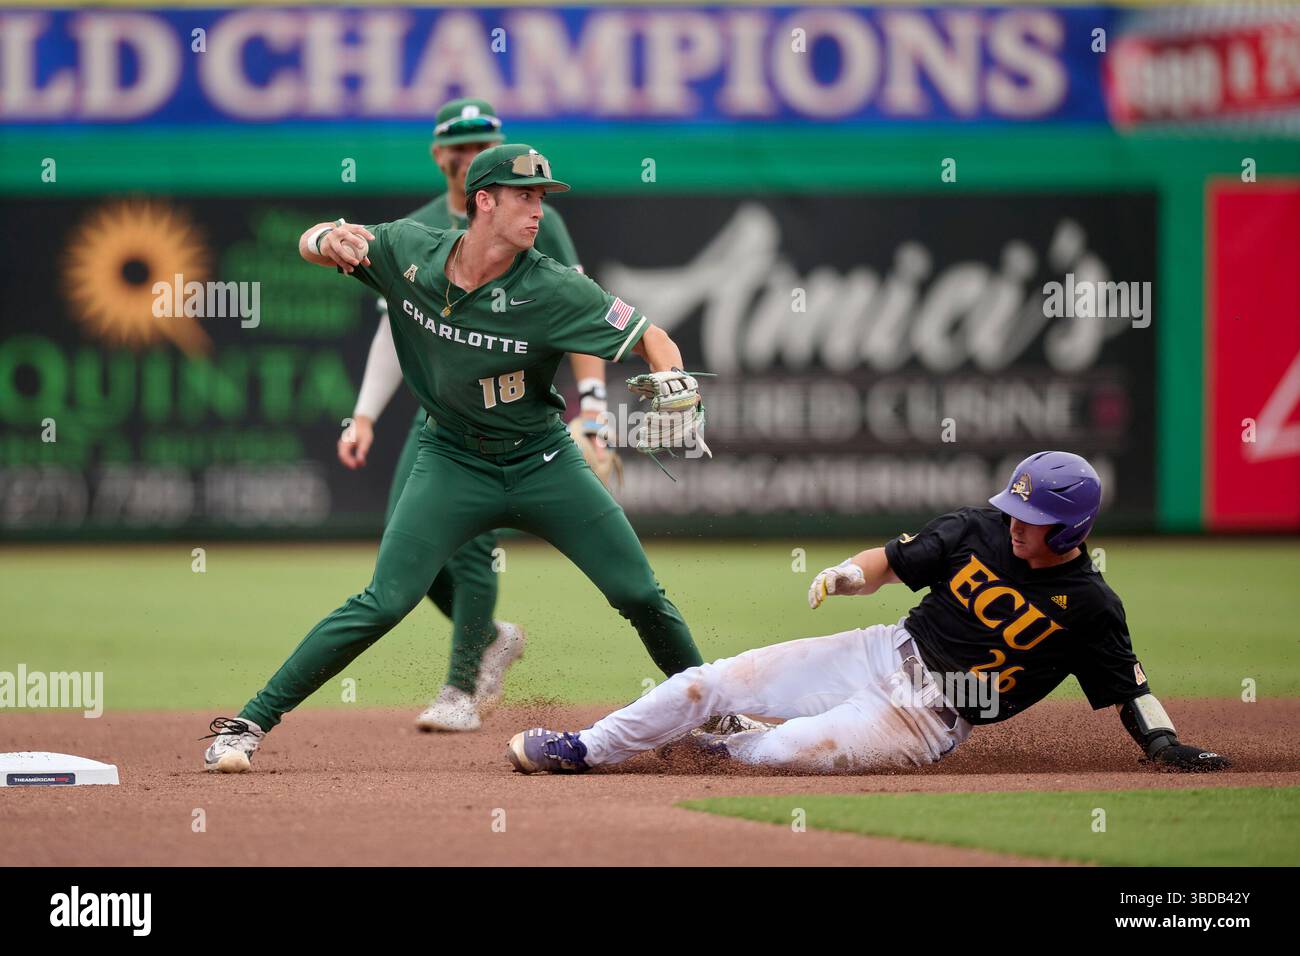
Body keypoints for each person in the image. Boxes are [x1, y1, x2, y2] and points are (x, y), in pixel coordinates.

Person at [202, 144, 708, 773]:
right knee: (384, 600)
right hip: (450, 459)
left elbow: (654, 338)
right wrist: (327, 235)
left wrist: (674, 383)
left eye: (543, 197)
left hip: (541, 461)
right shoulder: (410, 251)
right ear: (483, 201)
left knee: (638, 591)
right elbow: (310, 242)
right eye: (524, 196)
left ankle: (716, 711)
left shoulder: (554, 287)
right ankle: (248, 723)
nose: (537, 210)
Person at [506, 452, 1231, 776]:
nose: (1016, 523)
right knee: (709, 683)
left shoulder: (1092, 607)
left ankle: (720, 752)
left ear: (1071, 532)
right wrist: (850, 573)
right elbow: (895, 559)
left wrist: (1164, 746)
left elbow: (1129, 688)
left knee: (790, 754)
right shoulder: (980, 527)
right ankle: (584, 748)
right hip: (885, 648)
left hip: (933, 716)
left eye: (1033, 516)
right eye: (1015, 505)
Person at [336, 97, 614, 733]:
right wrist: (365, 415)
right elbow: (391, 329)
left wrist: (593, 408)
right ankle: (490, 636)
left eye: (483, 143)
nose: (470, 157)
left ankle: (462, 688)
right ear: (439, 156)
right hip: (438, 413)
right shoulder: (421, 226)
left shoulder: (539, 223)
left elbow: (584, 321)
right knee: (407, 557)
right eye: (459, 148)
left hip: (512, 417)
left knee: (473, 548)